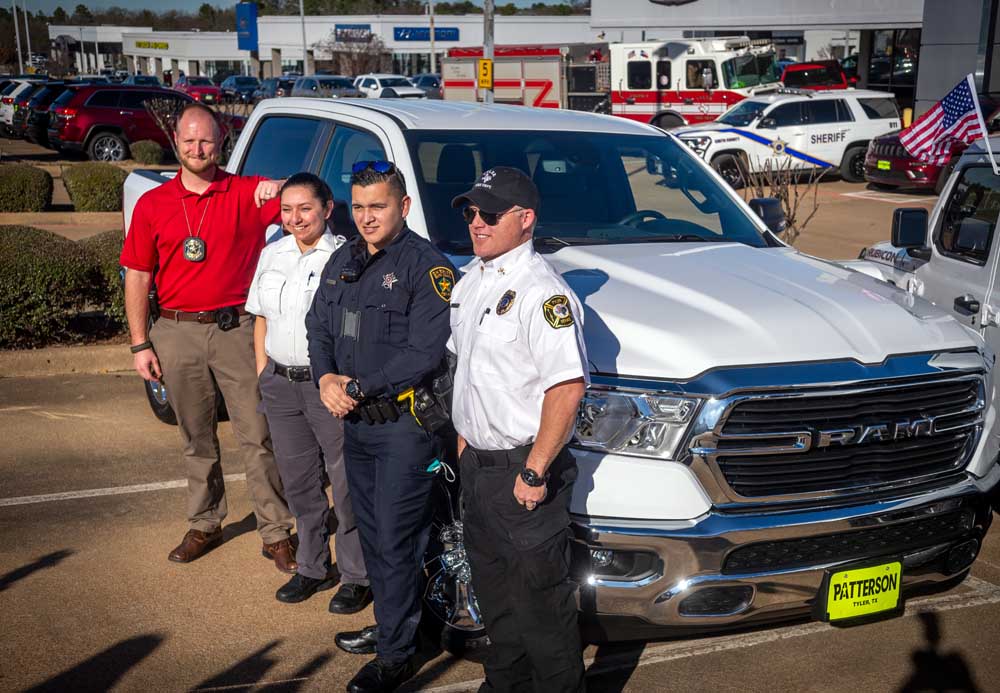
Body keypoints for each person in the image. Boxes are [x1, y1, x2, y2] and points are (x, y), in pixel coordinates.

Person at [120, 102, 296, 572]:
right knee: (196, 436)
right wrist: (140, 345)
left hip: (235, 328)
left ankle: (276, 530)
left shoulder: (246, 194)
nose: (198, 148)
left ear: (222, 144)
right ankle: (205, 522)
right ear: (175, 142)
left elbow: (306, 214)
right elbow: (137, 275)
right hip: (175, 331)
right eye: (189, 140)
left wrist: (284, 190)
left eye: (207, 140)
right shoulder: (153, 204)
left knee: (257, 435)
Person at [306, 160, 455, 693]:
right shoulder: (344, 259)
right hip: (357, 425)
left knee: (395, 539)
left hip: (403, 428)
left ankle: (397, 655)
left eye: (379, 206)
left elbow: (423, 353)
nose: (367, 217)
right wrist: (324, 376)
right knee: (371, 536)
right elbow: (317, 324)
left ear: (404, 208)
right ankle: (396, 625)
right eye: (361, 206)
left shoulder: (426, 267)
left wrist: (356, 388)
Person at [447, 167, 589, 692]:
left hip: (525, 472)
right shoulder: (471, 281)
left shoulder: (542, 294)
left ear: (525, 220)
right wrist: (466, 442)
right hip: (480, 468)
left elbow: (566, 389)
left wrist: (533, 469)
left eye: (489, 213)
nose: (477, 223)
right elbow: (465, 370)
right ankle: (504, 684)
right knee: (495, 597)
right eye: (471, 213)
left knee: (541, 606)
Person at [246, 172, 372, 612]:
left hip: (327, 388)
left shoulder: (347, 257)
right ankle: (313, 567)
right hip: (281, 385)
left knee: (346, 484)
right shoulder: (272, 253)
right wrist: (265, 373)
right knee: (299, 484)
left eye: (305, 208)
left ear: (326, 209)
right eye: (286, 209)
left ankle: (357, 575)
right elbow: (260, 316)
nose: (295, 218)